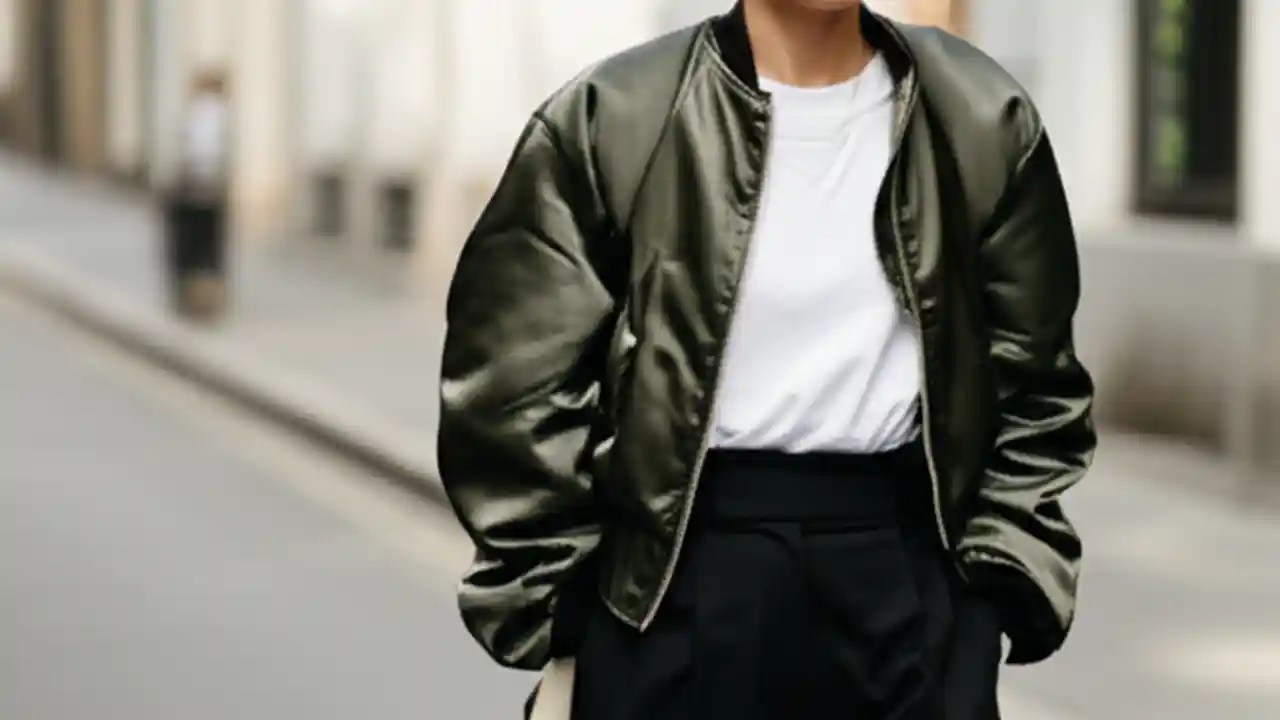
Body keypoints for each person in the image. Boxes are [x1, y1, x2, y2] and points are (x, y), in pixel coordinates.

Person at [438, 1, 1096, 718]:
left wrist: (990, 599)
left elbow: (1038, 391)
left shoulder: (978, 114)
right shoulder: (618, 116)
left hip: (904, 592)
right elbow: (512, 384)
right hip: (676, 590)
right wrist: (571, 611)